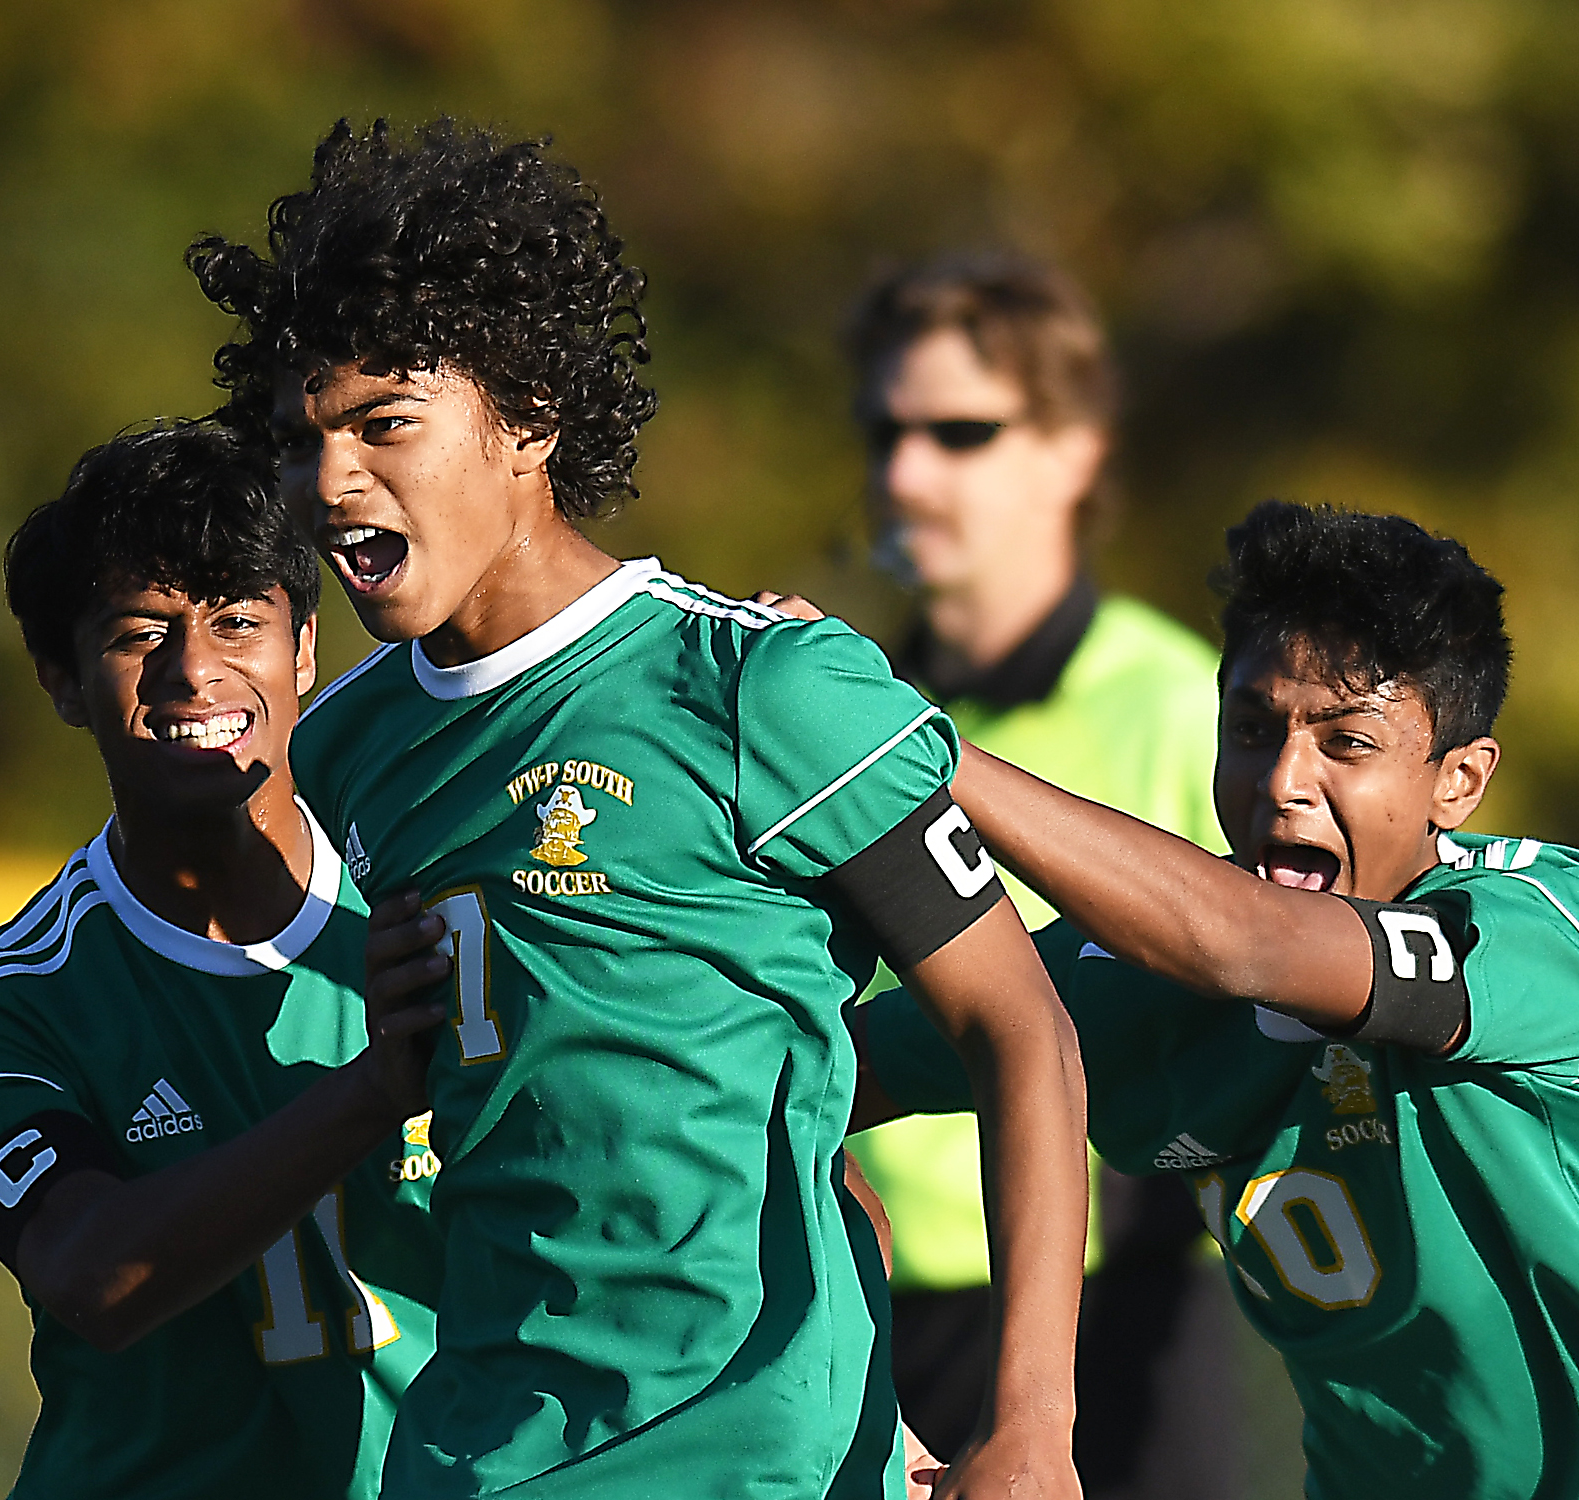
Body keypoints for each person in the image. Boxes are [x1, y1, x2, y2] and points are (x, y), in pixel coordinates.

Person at [189, 117, 1088, 1499]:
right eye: (300, 437)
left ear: (530, 419)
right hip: (482, 1457)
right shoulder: (351, 748)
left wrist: (1027, 1422)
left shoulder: (760, 690)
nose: (331, 478)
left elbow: (1019, 1032)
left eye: (385, 423)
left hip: (756, 1469)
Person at [858, 500, 1579, 1499]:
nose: (1283, 780)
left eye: (1347, 744)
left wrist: (903, 746)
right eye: (1251, 729)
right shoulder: (1132, 977)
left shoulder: (1535, 930)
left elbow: (1247, 942)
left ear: (1458, 781)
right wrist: (857, 1405)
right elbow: (798, 1086)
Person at [0, 421, 452, 1500]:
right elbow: (94, 1276)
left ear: (305, 648)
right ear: (61, 680)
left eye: (238, 620)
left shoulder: (439, 888)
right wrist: (374, 1092)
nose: (194, 670)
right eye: (140, 634)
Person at [843, 252, 1238, 1496]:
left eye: (962, 433)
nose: (907, 474)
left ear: (1076, 452)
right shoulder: (831, 716)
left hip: (1128, 1316)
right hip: (877, 1314)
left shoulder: (1186, 708)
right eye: (887, 433)